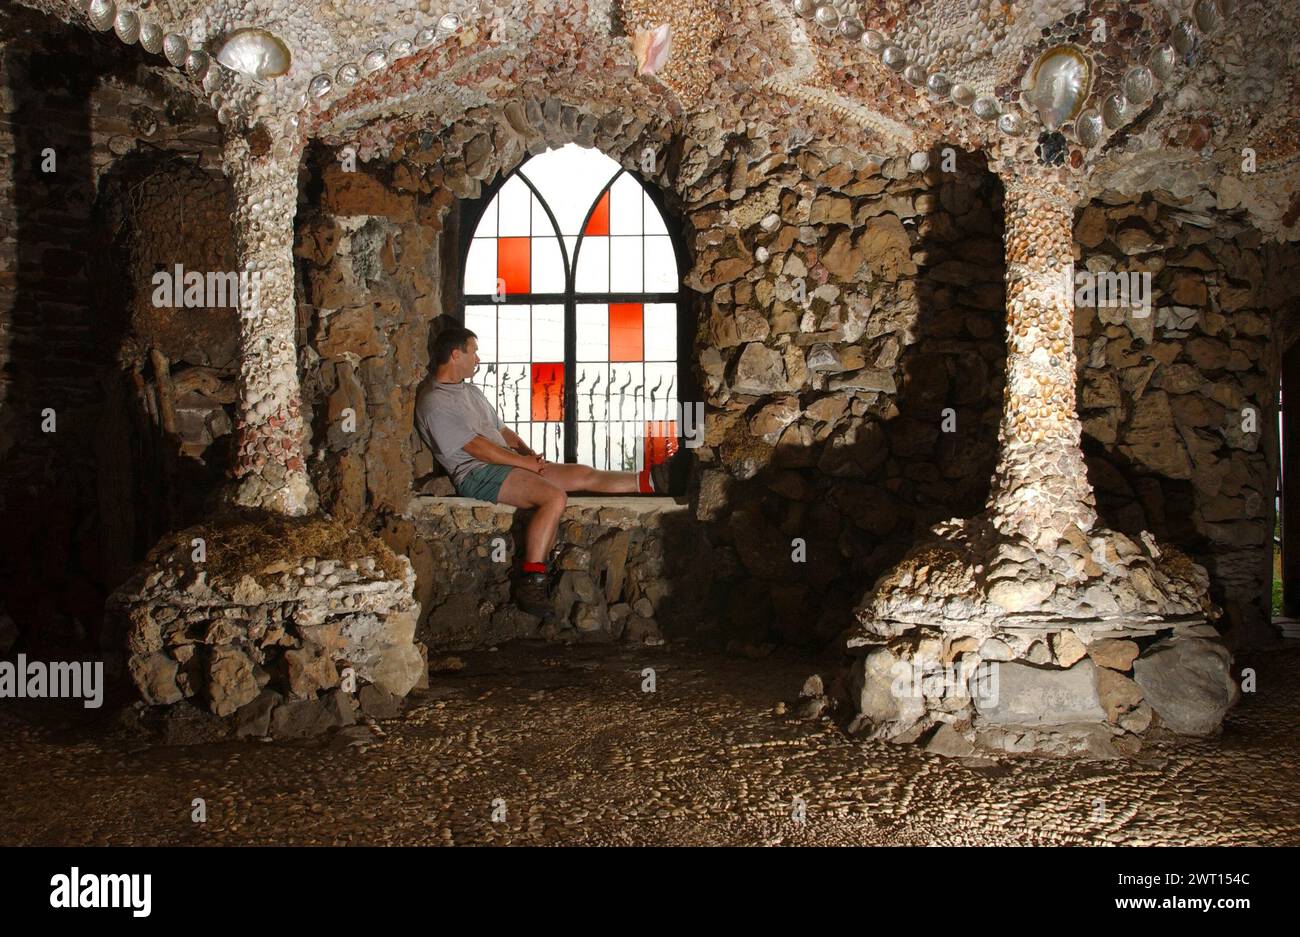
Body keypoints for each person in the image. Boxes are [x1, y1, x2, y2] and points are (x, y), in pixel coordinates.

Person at [415, 326, 677, 615]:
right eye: (473, 352)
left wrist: (526, 452)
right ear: (455, 355)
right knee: (554, 497)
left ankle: (652, 481)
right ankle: (532, 580)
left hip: (505, 463)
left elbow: (500, 430)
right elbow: (476, 447)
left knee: (581, 473)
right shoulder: (434, 400)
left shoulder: (470, 391)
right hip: (477, 473)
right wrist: (524, 464)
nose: (478, 359)